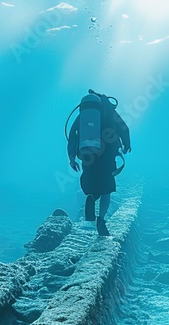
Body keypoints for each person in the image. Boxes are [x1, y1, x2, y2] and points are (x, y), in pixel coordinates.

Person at [66, 90, 131, 236]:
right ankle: (101, 219)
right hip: (107, 155)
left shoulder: (83, 116)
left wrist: (72, 158)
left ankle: (91, 196)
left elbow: (72, 135)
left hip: (87, 154)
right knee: (106, 189)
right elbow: (123, 128)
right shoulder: (109, 112)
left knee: (90, 180)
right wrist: (127, 144)